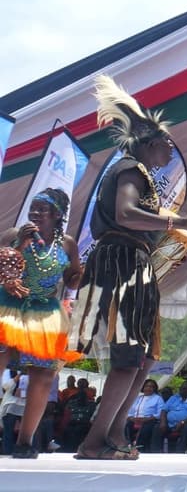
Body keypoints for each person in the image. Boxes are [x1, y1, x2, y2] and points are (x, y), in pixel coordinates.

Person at [72, 76, 187, 461]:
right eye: (166, 141)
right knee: (130, 355)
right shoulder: (130, 169)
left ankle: (114, 430)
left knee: (144, 359)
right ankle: (94, 442)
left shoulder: (138, 172)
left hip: (132, 263)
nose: (171, 147)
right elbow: (125, 214)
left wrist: (173, 239)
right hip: (122, 264)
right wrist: (177, 221)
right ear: (149, 143)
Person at [0, 187, 85, 459]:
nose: (35, 213)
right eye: (33, 208)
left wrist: (82, 275)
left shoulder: (67, 244)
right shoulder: (14, 234)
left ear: (57, 215)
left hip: (45, 311)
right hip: (9, 304)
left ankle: (25, 442)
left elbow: (72, 279)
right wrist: (19, 245)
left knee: (43, 375)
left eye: (42, 209)